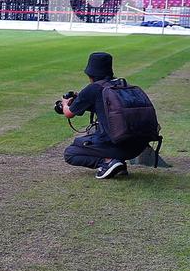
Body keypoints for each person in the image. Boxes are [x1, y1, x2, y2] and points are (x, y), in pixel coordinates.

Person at [61, 52, 149, 180]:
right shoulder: (121, 85)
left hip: (120, 147)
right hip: (139, 146)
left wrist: (64, 104)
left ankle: (108, 162)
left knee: (71, 153)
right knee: (97, 136)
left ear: (89, 73)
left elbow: (69, 113)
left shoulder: (93, 89)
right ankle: (118, 164)